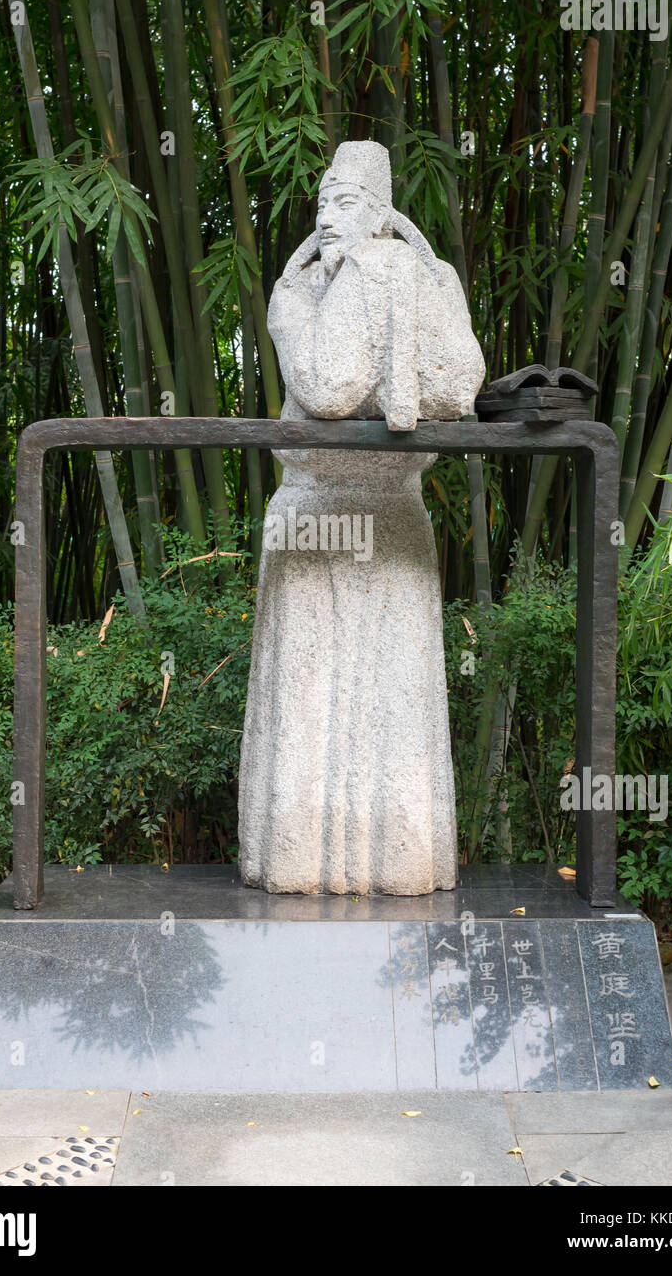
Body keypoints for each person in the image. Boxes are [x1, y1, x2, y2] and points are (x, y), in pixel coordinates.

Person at [237, 140, 485, 895]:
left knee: (359, 706)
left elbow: (363, 387)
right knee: (342, 700)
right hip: (343, 517)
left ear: (380, 215)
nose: (329, 220)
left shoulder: (398, 275)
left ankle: (355, 863)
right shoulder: (363, 284)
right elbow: (353, 386)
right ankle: (345, 866)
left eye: (346, 204)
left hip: (362, 514)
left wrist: (304, 303)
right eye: (321, 207)